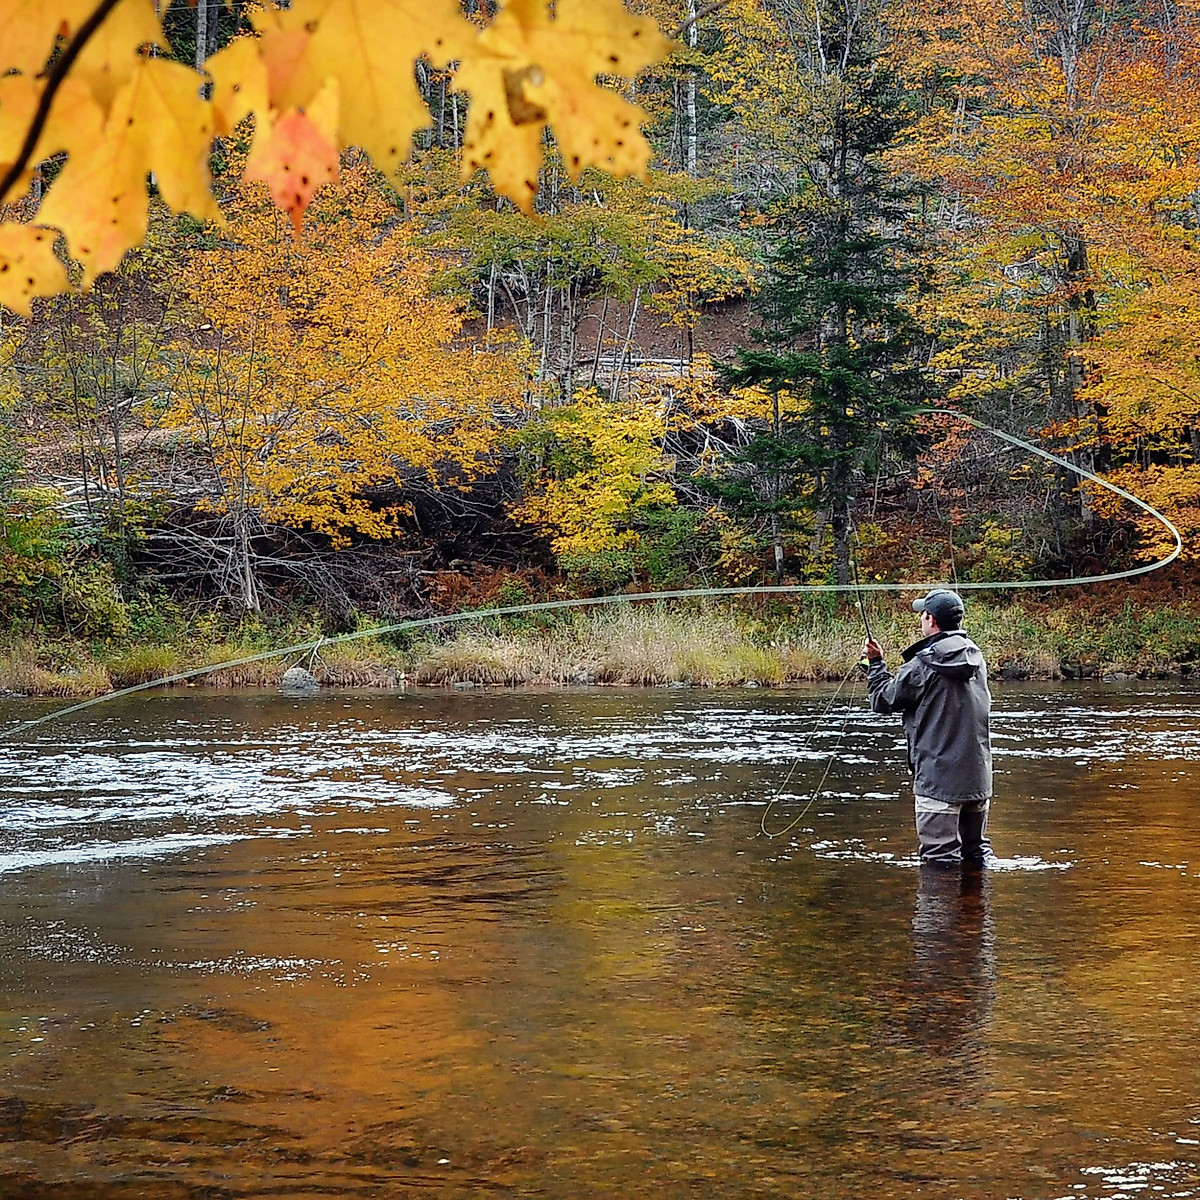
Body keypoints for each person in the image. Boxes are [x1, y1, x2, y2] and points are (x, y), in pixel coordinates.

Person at [862, 588, 995, 866]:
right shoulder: (976, 657)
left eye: (923, 614)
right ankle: (977, 909)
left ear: (931, 620)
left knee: (939, 860)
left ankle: (937, 911)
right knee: (976, 854)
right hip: (978, 779)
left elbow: (883, 700)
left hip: (938, 781)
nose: (921, 619)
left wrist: (875, 663)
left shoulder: (923, 664)